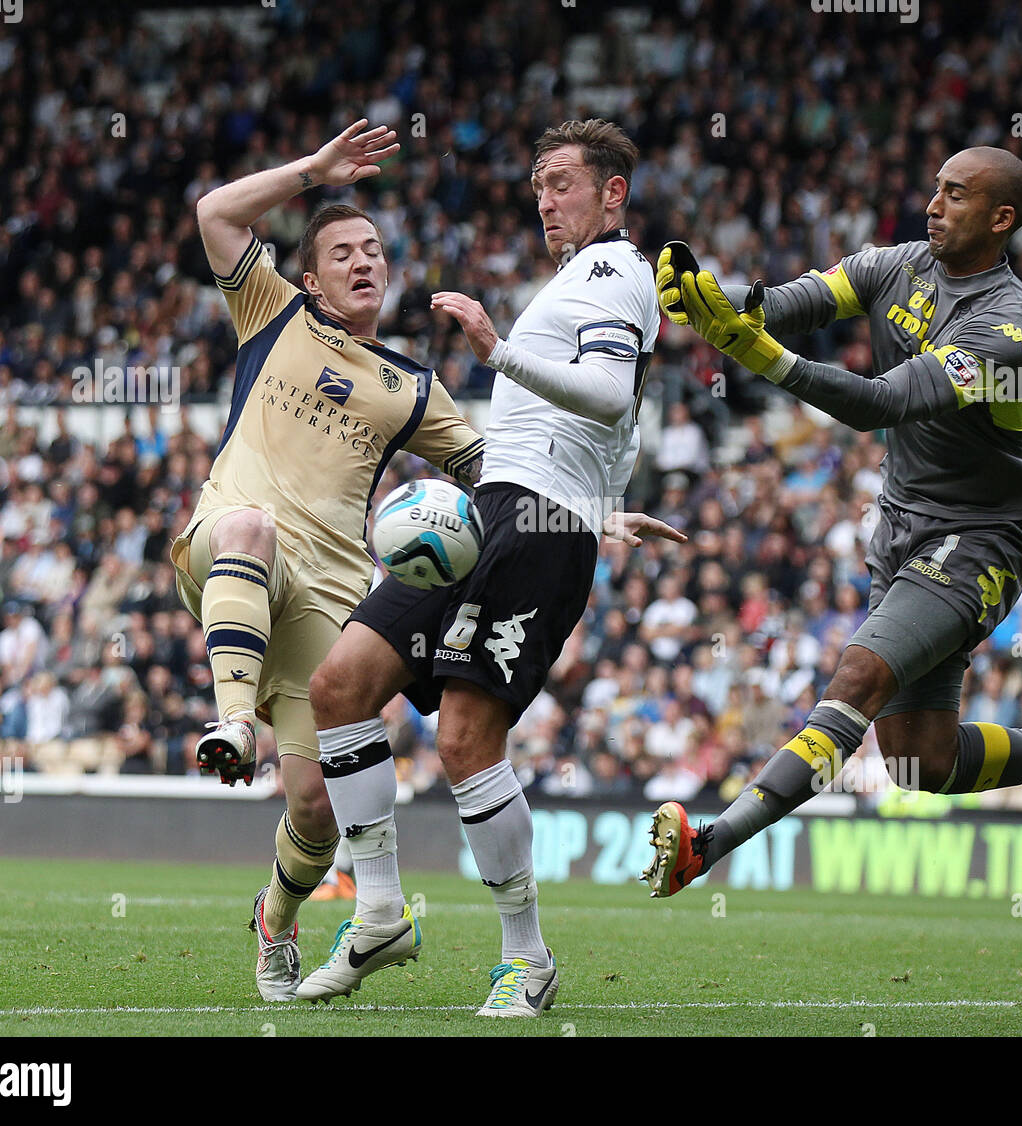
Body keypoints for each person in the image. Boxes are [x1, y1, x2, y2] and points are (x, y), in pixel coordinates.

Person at [642, 147, 1022, 899]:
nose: (933, 205)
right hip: (902, 526)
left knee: (859, 674)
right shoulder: (902, 263)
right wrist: (718, 301)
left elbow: (880, 403)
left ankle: (710, 842)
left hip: (979, 537)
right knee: (918, 762)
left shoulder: (1010, 330)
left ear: (1001, 218)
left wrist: (754, 352)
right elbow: (796, 301)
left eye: (956, 195)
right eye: (935, 188)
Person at [297, 119, 681, 1016]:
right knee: (340, 686)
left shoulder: (617, 270)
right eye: (538, 186)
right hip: (488, 513)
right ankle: (380, 912)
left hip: (537, 526)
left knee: (467, 743)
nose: (545, 201)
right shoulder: (572, 281)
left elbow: (611, 395)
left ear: (612, 192)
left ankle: (527, 957)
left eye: (561, 183)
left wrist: (496, 349)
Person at [171, 120, 486, 1001]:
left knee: (313, 807)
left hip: (332, 594)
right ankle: (234, 720)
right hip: (231, 545)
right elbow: (213, 213)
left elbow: (496, 476)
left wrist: (597, 513)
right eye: (342, 251)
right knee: (250, 530)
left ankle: (275, 916)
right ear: (309, 276)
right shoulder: (273, 313)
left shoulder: (413, 386)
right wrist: (312, 172)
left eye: (375, 251)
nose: (363, 261)